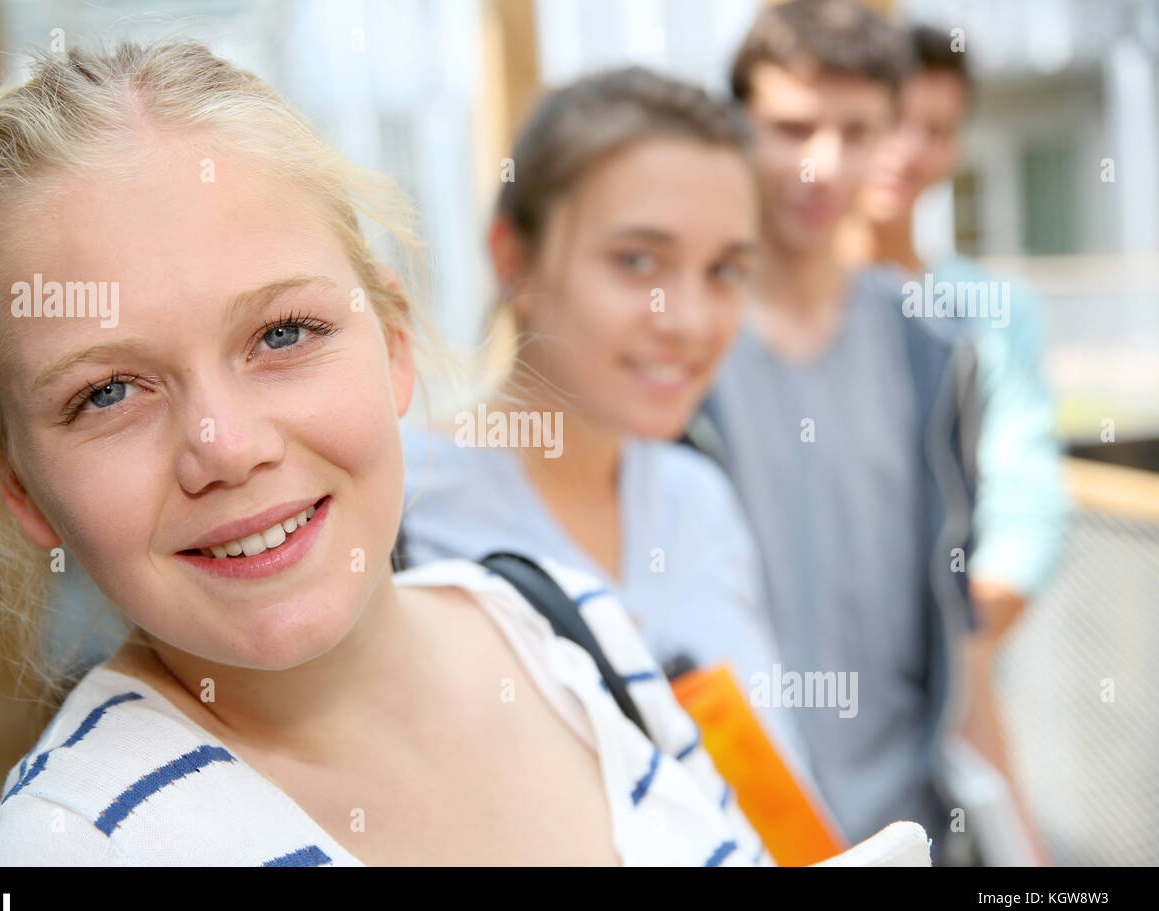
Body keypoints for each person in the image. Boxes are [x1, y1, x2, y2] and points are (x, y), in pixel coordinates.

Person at [0, 40, 768, 866]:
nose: (228, 448)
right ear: (17, 487)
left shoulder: (572, 633)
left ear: (393, 344)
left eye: (283, 333)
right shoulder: (72, 846)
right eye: (108, 393)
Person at [399, 67, 817, 785]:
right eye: (637, 261)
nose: (688, 320)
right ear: (513, 260)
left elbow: (776, 791)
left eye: (725, 271)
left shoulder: (697, 499)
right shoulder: (401, 510)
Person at [694, 0, 980, 854]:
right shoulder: (670, 353)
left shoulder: (933, 348)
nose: (822, 164)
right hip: (729, 823)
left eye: (856, 131)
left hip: (902, 825)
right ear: (737, 125)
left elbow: (953, 616)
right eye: (790, 127)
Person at [838, 24, 1069, 862]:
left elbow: (1028, 502)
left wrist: (948, 652)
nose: (907, 150)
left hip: (951, 705)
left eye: (936, 129)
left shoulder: (989, 313)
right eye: (889, 119)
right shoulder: (776, 315)